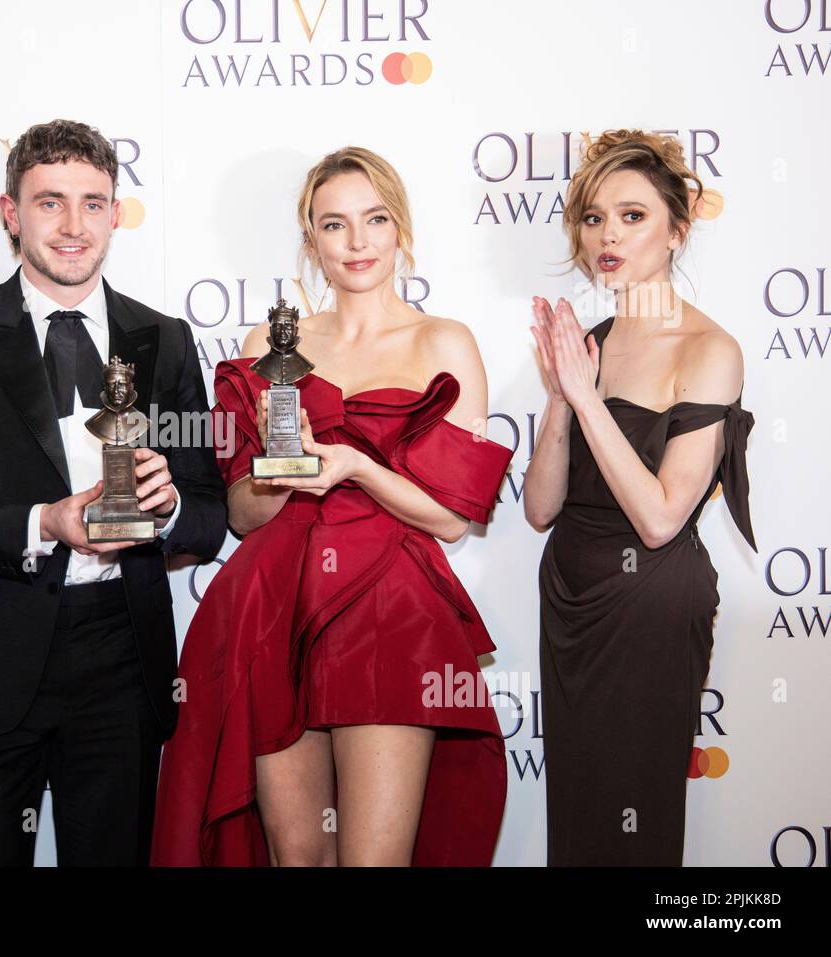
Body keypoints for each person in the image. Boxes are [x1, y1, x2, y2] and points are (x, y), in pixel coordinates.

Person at [151, 146, 514, 866]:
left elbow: (451, 517)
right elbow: (244, 514)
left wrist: (354, 466)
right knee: (298, 858)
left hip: (387, 612)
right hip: (272, 605)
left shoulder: (443, 341)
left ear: (400, 228)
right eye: (334, 224)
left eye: (375, 219)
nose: (356, 242)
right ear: (310, 239)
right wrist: (280, 475)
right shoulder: (269, 345)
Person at [0, 119, 226, 867]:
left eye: (93, 203)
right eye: (50, 202)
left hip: (122, 656)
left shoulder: (163, 339)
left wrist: (166, 510)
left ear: (115, 213)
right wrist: (45, 522)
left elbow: (209, 513)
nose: (74, 226)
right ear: (11, 213)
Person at [522, 129, 756, 866]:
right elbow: (538, 509)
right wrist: (563, 398)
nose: (607, 236)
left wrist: (585, 397)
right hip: (570, 591)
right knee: (579, 814)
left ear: (677, 229)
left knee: (636, 815)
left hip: (649, 599)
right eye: (593, 218)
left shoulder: (709, 349)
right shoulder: (586, 339)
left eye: (632, 216)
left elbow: (660, 518)